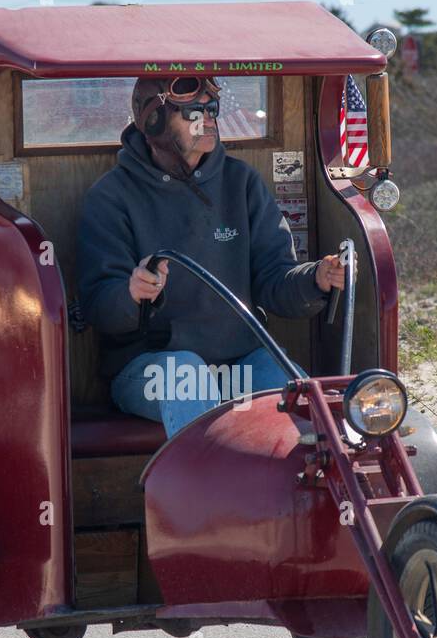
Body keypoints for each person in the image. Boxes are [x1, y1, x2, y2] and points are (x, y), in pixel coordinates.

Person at [76, 76, 346, 437]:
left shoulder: (242, 183)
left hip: (239, 362)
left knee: (296, 392)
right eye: (193, 113)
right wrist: (132, 294)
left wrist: (315, 279)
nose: (209, 120)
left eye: (212, 110)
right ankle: (201, 494)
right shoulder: (112, 197)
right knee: (187, 375)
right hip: (149, 367)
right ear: (153, 122)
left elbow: (273, 278)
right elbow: (98, 305)